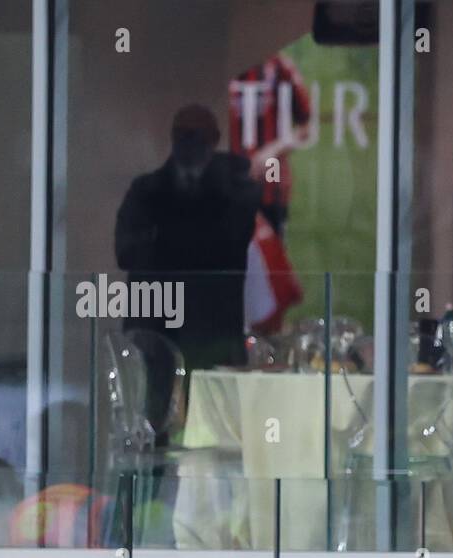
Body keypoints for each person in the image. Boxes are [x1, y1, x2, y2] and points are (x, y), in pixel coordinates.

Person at [115, 104, 261, 371]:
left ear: (214, 139)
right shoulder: (146, 190)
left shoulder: (236, 192)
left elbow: (226, 247)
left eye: (198, 135)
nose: (190, 143)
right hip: (156, 328)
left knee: (214, 409)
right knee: (157, 407)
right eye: (183, 134)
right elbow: (126, 252)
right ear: (172, 137)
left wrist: (162, 238)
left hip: (213, 332)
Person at [228, 53, 313, 237]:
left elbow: (306, 125)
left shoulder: (279, 67)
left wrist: (272, 151)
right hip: (230, 179)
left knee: (270, 245)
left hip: (271, 169)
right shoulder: (221, 64)